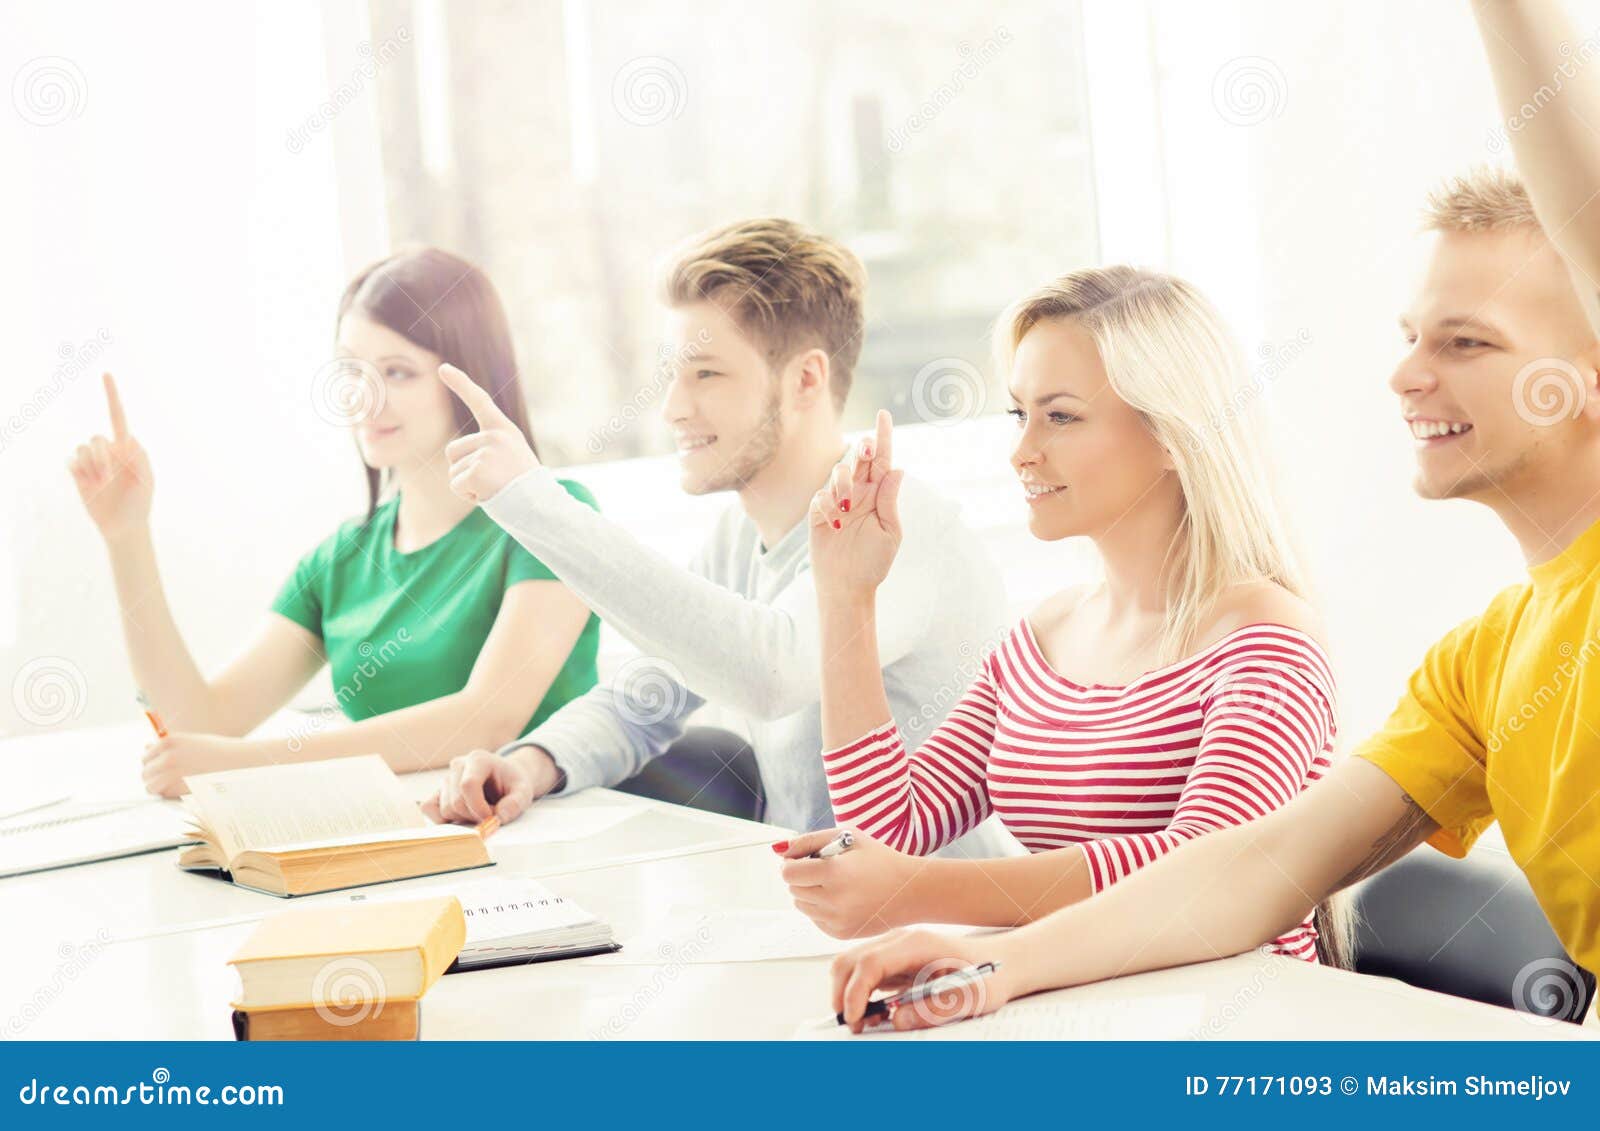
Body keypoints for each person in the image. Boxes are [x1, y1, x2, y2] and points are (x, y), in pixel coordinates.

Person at [825, 167, 1600, 1031]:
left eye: (1466, 343)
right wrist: (995, 961)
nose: (1403, 374)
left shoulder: (1267, 636)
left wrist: (924, 899)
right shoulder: (1483, 660)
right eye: (1412, 336)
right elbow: (1245, 870)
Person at [776, 267, 1342, 966]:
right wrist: (847, 596)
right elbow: (892, 829)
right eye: (1020, 413)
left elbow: (1201, 874)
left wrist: (921, 891)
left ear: (1173, 434)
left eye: (1062, 415)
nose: (1022, 451)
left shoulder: (1267, 644)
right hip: (1087, 1007)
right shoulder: (1040, 641)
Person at [423, 218, 1010, 856]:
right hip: (826, 908)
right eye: (670, 374)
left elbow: (769, 670)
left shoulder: (900, 526)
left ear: (806, 380)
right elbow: (647, 693)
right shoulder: (741, 533)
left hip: (943, 930)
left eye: (705, 374)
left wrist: (533, 503)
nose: (672, 406)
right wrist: (533, 763)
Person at [67, 248, 599, 796]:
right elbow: (199, 727)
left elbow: (486, 720)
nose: (362, 396)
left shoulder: (548, 519)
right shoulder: (340, 560)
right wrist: (126, 536)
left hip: (545, 839)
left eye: (397, 371)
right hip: (401, 839)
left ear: (472, 378)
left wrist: (250, 765)